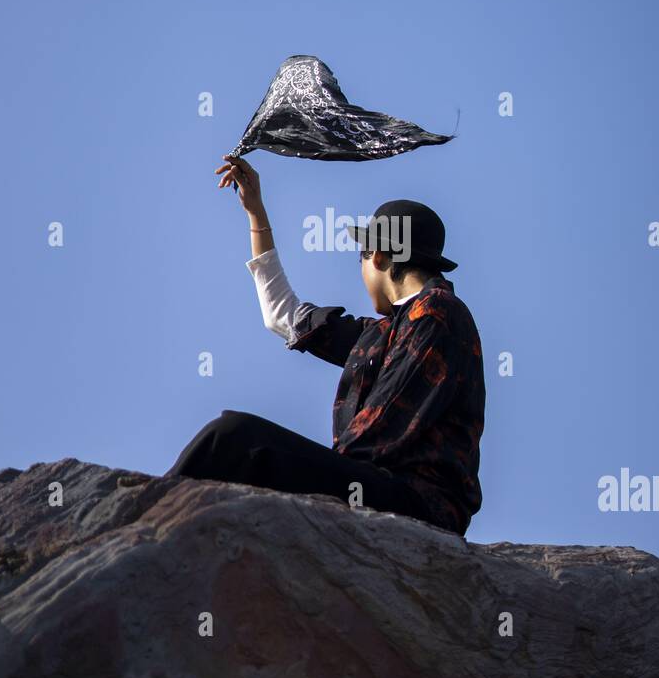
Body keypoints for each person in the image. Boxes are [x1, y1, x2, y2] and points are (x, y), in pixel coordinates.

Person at [165, 156, 486, 537]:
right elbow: (284, 317)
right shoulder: (383, 332)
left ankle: (147, 517)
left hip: (418, 504)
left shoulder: (436, 312)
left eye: (361, 257)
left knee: (236, 438)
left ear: (378, 257)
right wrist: (256, 214)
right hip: (377, 488)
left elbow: (386, 423)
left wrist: (314, 471)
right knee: (235, 441)